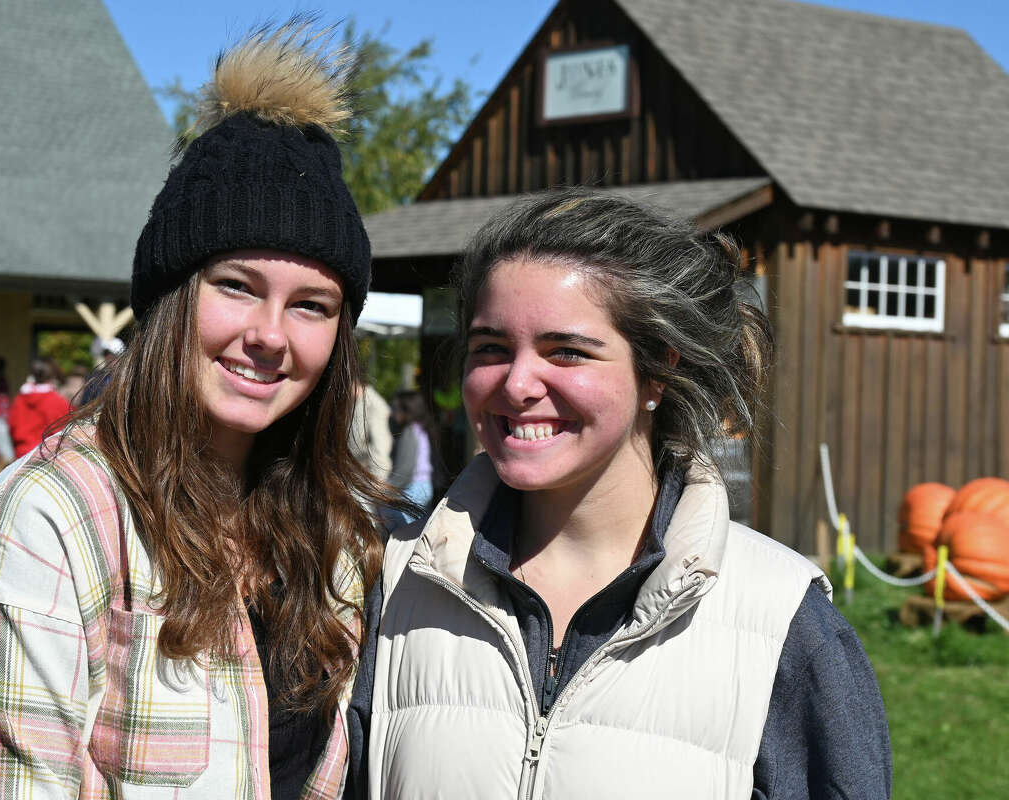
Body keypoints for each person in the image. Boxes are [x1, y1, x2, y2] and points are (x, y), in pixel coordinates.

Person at [0, 22, 399, 798]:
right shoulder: (57, 520)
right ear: (170, 302)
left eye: (313, 304)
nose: (270, 336)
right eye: (237, 286)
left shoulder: (337, 536)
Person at [348, 189, 892, 799]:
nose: (518, 382)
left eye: (568, 352)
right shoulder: (389, 586)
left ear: (656, 371)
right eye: (491, 349)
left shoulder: (781, 622)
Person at [7, 359, 70, 457]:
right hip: (46, 455)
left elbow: (12, 426)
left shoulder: (19, 399)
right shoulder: (57, 401)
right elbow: (64, 429)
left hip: (22, 454)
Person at [387, 391, 438, 510]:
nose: (392, 413)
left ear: (406, 410)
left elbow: (405, 470)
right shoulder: (420, 429)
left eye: (395, 409)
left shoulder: (409, 433)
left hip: (413, 488)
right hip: (424, 486)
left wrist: (385, 492)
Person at [348, 378, 392, 480]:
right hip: (354, 473)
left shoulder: (374, 406)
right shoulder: (356, 402)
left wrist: (376, 482)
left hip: (367, 477)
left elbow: (380, 449)